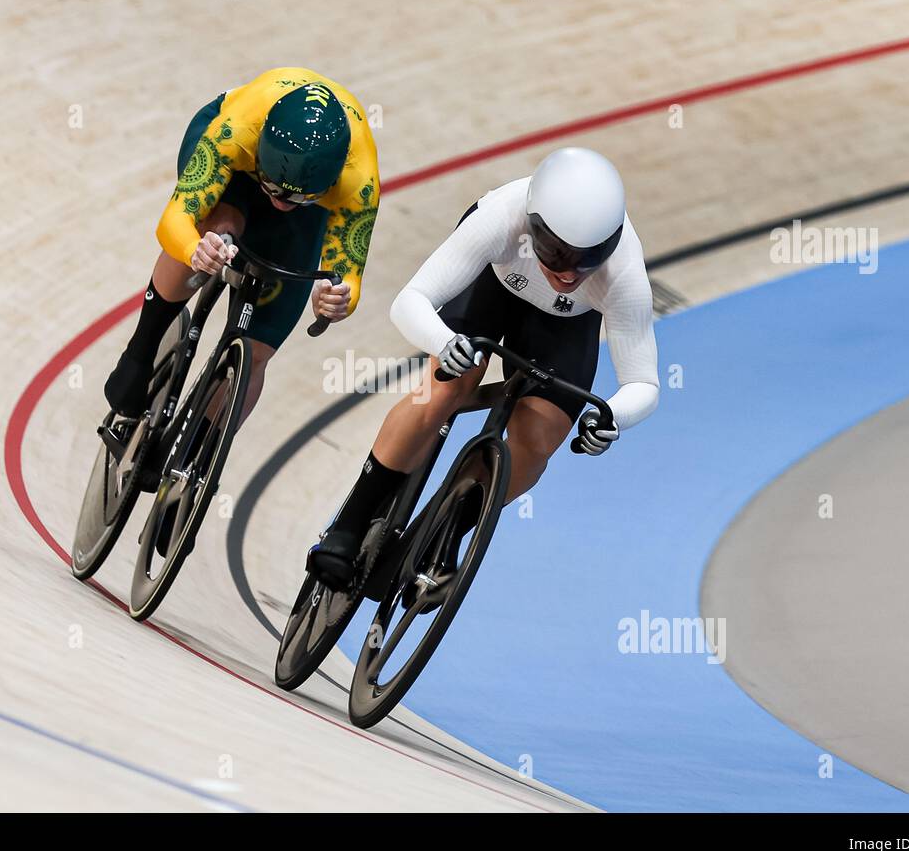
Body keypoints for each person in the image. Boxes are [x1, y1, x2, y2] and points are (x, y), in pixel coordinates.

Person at [310, 147, 659, 588]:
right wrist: (443, 342)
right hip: (490, 286)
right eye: (555, 255)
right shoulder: (501, 216)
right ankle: (349, 524)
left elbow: (642, 382)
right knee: (443, 389)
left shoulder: (623, 272)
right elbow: (410, 301)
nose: (569, 275)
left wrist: (612, 416)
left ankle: (448, 530)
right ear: (532, 227)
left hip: (564, 326)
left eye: (586, 260)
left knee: (539, 436)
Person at [103, 67, 380, 441]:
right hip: (237, 167)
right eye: (275, 188)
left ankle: (199, 452)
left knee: (257, 351)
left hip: (294, 188)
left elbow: (345, 279)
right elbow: (173, 220)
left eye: (298, 197)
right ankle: (141, 349)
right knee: (218, 226)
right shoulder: (238, 130)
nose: (282, 203)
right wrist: (194, 249)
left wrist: (336, 300)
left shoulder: (358, 180)